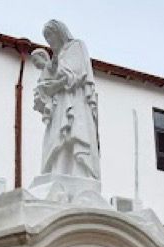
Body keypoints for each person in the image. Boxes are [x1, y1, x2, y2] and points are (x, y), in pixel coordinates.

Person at [36, 19, 100, 180]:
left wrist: (55, 78)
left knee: (74, 134)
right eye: (47, 39)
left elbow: (75, 73)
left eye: (51, 36)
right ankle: (59, 171)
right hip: (60, 101)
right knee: (58, 136)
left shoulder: (76, 46)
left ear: (59, 33)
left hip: (75, 100)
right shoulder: (56, 58)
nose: (50, 42)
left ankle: (78, 173)